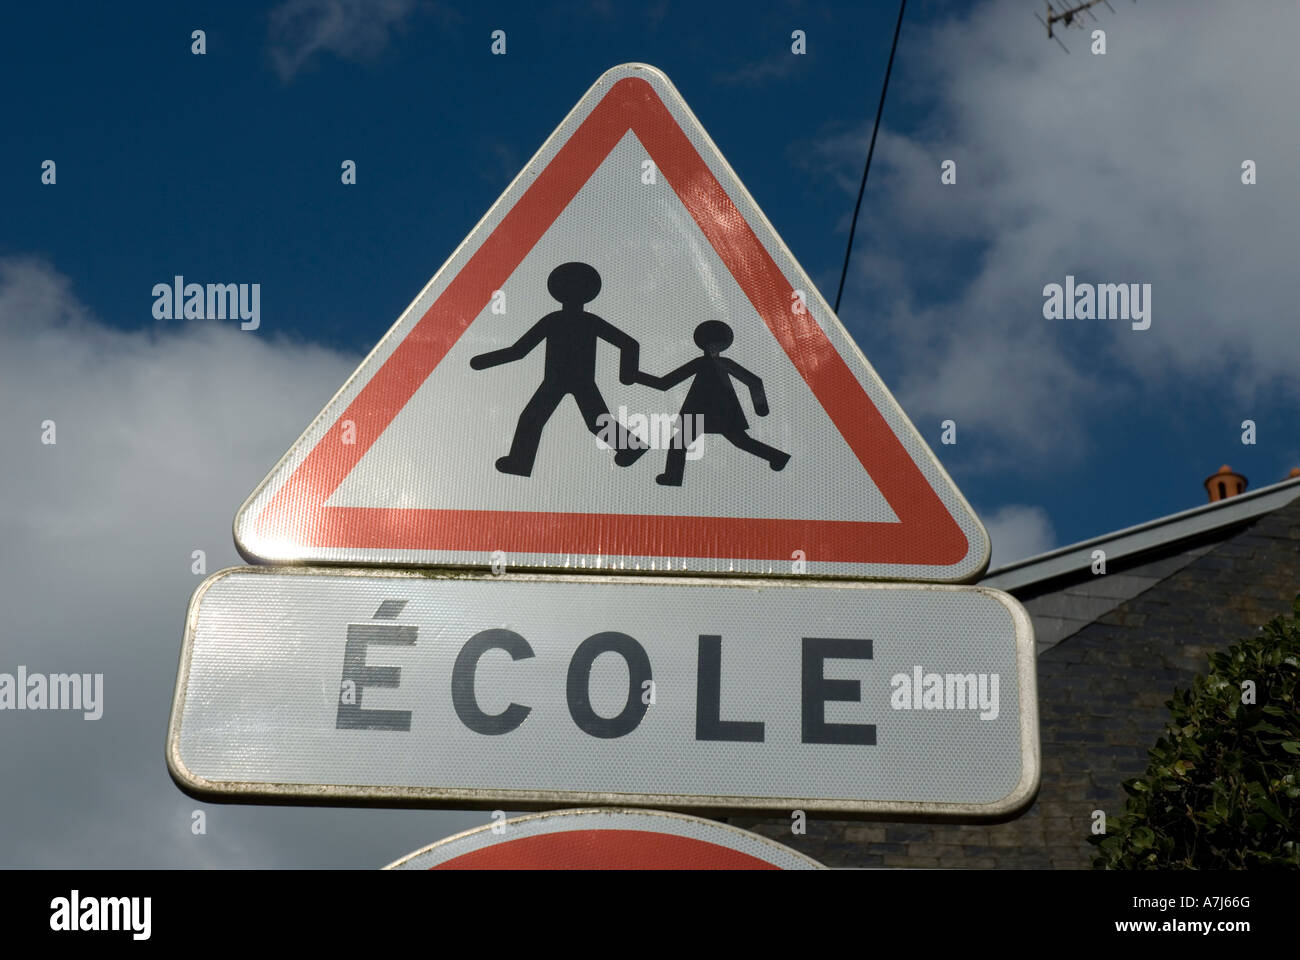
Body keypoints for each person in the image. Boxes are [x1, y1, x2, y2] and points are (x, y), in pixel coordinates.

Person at [470, 262, 648, 476]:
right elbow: (520, 350)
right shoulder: (567, 320)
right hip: (565, 380)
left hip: (566, 380)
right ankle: (631, 447)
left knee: (537, 419)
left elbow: (628, 344)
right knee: (578, 420)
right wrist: (483, 361)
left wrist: (627, 373)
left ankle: (520, 462)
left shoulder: (569, 320)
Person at [636, 319, 789, 486]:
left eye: (716, 344)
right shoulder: (703, 363)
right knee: (679, 443)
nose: (712, 348)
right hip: (701, 409)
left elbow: (753, 382)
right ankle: (673, 476)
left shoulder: (723, 363)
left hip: (720, 410)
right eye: (710, 344)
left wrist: (761, 407)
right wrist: (639, 377)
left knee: (740, 441)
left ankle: (778, 457)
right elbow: (666, 382)